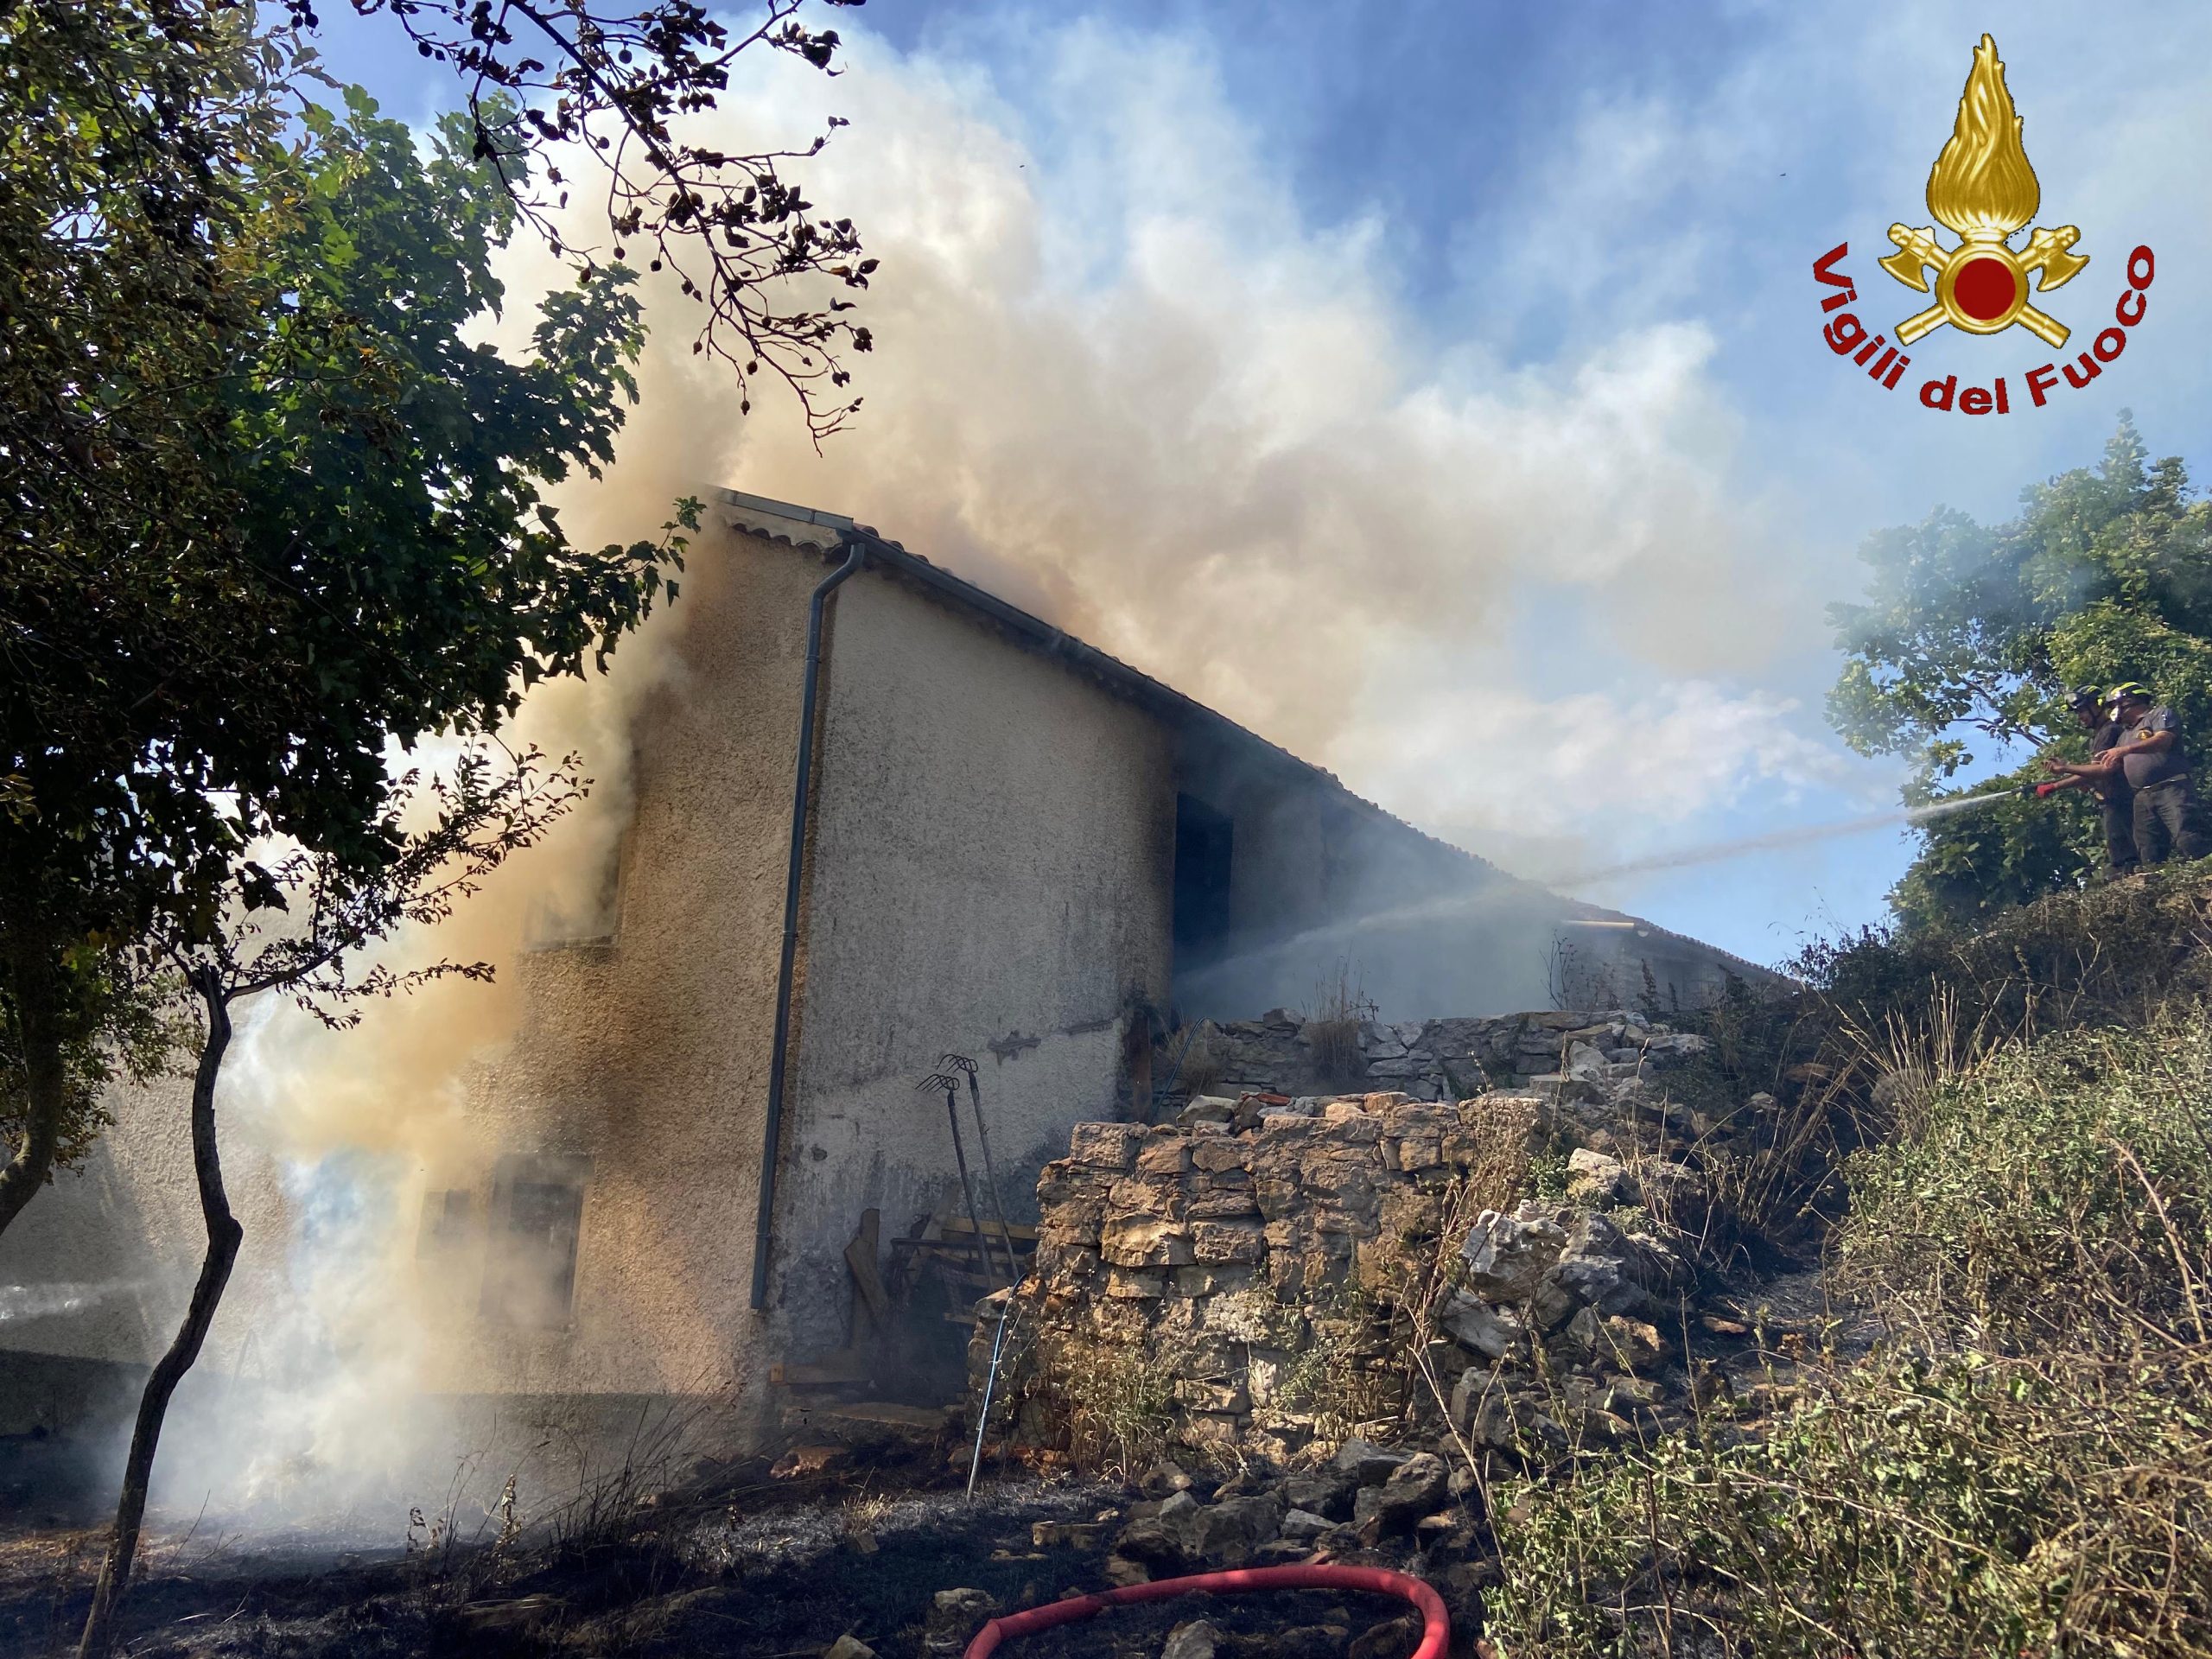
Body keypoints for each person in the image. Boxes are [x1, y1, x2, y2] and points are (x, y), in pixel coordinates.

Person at [2039, 685, 2138, 878]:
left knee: (2126, 862)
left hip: (2121, 802)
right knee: (2120, 858)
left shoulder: (2110, 731)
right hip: (2113, 803)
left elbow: (2099, 771)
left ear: (2099, 705)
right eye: (2077, 713)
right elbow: (2090, 773)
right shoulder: (2100, 734)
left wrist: (2057, 781)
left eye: (2083, 710)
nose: (2080, 717)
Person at [2109, 683, 2207, 865]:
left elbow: (2163, 740)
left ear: (2129, 700)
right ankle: (2159, 890)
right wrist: (2065, 770)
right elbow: (2108, 767)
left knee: (2189, 838)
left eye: (2115, 704)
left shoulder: (2159, 714)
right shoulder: (2125, 735)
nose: (2114, 710)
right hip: (2142, 797)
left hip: (2171, 787)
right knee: (2149, 851)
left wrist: (2124, 750)